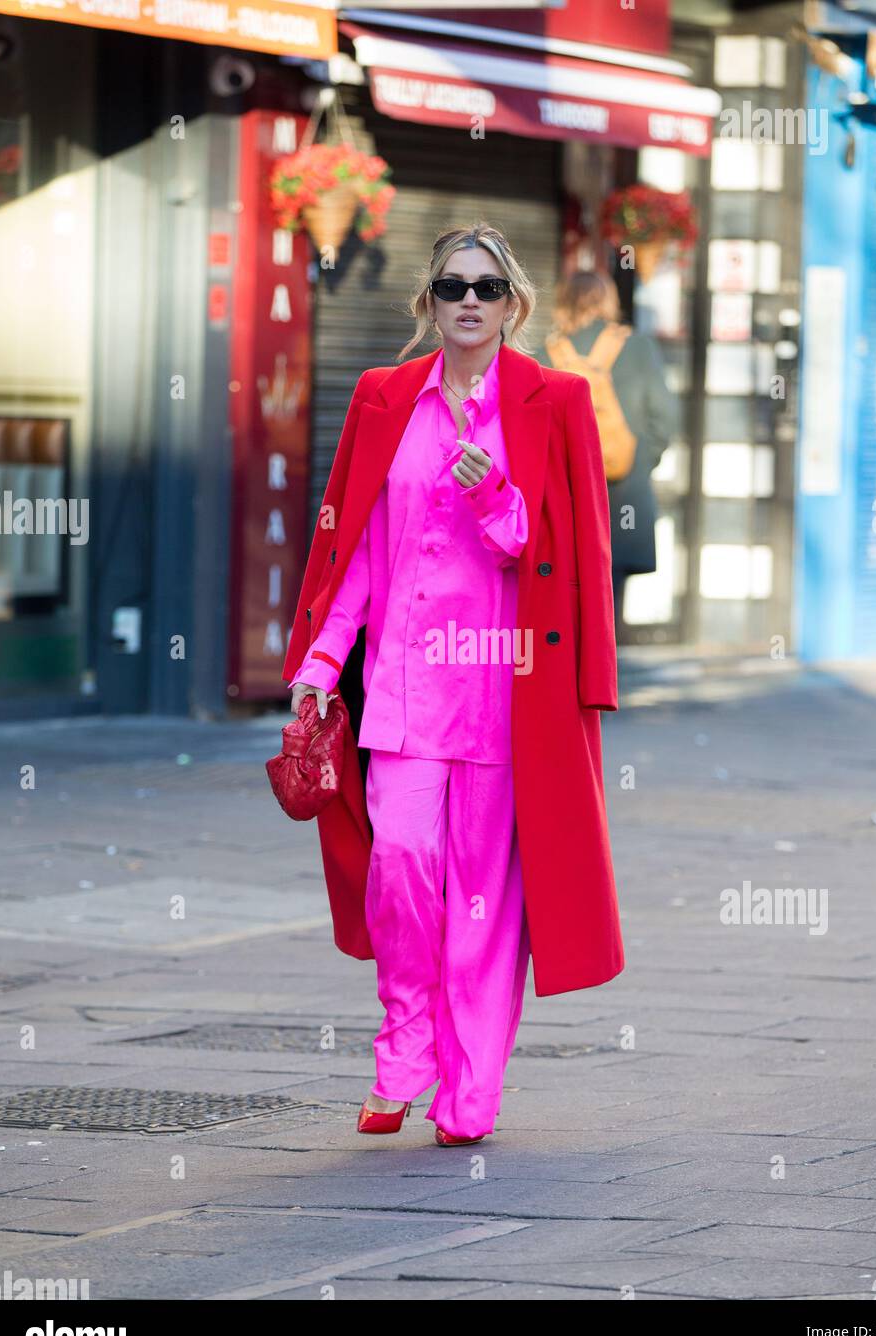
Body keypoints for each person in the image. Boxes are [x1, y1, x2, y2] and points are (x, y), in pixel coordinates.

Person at [281, 223, 623, 1147]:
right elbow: (353, 544)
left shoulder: (556, 401)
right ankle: (403, 1051)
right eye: (448, 286)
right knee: (399, 862)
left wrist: (496, 500)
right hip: (398, 681)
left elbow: (572, 550)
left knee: (483, 897)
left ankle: (470, 1089)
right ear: (427, 303)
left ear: (513, 303)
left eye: (484, 287)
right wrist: (318, 663)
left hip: (505, 692)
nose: (466, 301)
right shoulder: (382, 396)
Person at [534, 270, 678, 631]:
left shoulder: (544, 355)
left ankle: (567, 686)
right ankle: (607, 685)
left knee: (560, 617)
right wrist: (639, 461)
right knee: (607, 620)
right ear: (607, 300)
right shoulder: (637, 347)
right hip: (623, 499)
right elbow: (665, 419)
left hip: (562, 506)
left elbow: (532, 436)